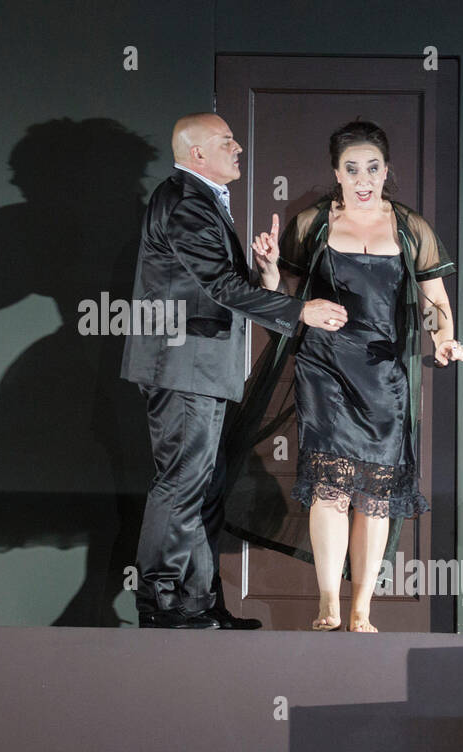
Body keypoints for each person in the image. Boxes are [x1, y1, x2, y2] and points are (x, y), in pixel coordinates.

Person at [226, 120, 463, 632]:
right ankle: (329, 603)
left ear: (386, 170)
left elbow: (437, 302)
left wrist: (444, 338)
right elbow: (281, 296)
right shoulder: (313, 221)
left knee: (375, 493)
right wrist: (266, 267)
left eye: (373, 168)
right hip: (324, 365)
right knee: (332, 485)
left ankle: (362, 609)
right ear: (336, 172)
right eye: (352, 168)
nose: (363, 178)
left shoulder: (409, 226)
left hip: (384, 373)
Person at [120, 113, 347, 629]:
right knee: (182, 482)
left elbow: (211, 284)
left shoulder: (198, 200)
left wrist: (265, 276)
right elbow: (220, 288)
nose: (238, 148)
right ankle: (162, 603)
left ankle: (199, 604)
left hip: (201, 369)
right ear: (197, 153)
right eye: (226, 141)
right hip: (183, 368)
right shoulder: (183, 201)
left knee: (204, 483)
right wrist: (298, 310)